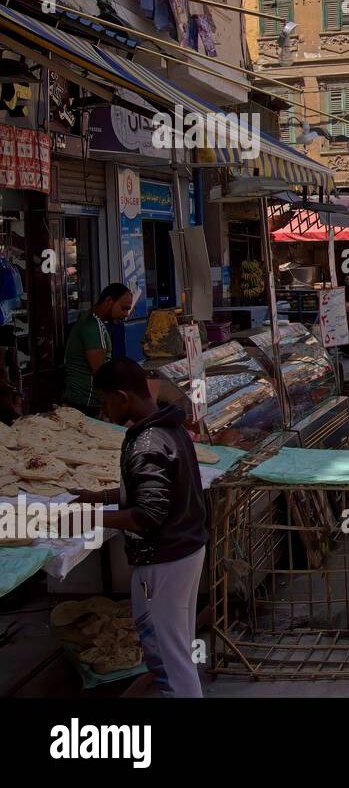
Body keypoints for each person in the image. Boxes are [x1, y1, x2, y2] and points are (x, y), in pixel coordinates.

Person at [74, 358, 207, 696]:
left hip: (164, 559)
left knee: (169, 659)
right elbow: (154, 489)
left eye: (105, 400)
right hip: (184, 550)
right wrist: (99, 496)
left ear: (122, 397)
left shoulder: (147, 443)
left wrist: (86, 518)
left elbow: (147, 514)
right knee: (176, 652)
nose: (103, 411)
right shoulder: (170, 428)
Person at [63, 282, 134, 417]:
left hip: (79, 403)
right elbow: (102, 373)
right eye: (124, 308)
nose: (126, 314)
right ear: (108, 301)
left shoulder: (90, 320)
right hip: (86, 406)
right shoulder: (93, 326)